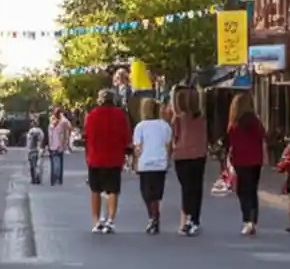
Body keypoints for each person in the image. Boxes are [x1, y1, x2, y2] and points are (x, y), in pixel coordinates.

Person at [85, 89, 132, 234]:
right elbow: (126, 136)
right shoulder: (120, 115)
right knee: (112, 189)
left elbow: (87, 136)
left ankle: (96, 220)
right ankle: (110, 220)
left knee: (95, 190)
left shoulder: (92, 115)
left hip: (95, 157)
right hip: (114, 157)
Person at [227, 92, 267, 236]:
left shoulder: (235, 124)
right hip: (256, 160)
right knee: (252, 190)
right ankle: (252, 220)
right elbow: (262, 137)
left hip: (240, 161)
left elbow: (230, 143)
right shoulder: (255, 122)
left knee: (242, 191)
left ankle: (247, 220)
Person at [170, 85, 208, 237]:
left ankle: (187, 219)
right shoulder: (201, 118)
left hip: (182, 155)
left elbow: (174, 137)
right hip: (199, 155)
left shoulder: (178, 118)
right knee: (197, 187)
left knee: (186, 188)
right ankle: (195, 219)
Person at [132, 98, 173, 235]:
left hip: (146, 162)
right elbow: (168, 146)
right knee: (156, 193)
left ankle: (153, 217)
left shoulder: (140, 127)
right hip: (160, 163)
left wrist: (135, 162)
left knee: (146, 193)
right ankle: (154, 217)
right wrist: (167, 160)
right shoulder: (165, 126)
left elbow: (138, 147)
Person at [47, 107, 73, 185]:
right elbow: (50, 133)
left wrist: (66, 144)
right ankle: (54, 179)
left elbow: (70, 127)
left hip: (59, 145)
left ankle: (57, 179)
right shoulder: (51, 120)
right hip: (52, 145)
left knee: (58, 164)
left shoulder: (63, 122)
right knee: (54, 164)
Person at [25, 117, 46, 184]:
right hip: (38, 149)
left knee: (32, 165)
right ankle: (38, 178)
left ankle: (33, 179)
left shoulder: (30, 131)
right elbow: (42, 140)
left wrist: (27, 150)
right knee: (39, 165)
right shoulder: (40, 131)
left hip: (31, 150)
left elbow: (28, 142)